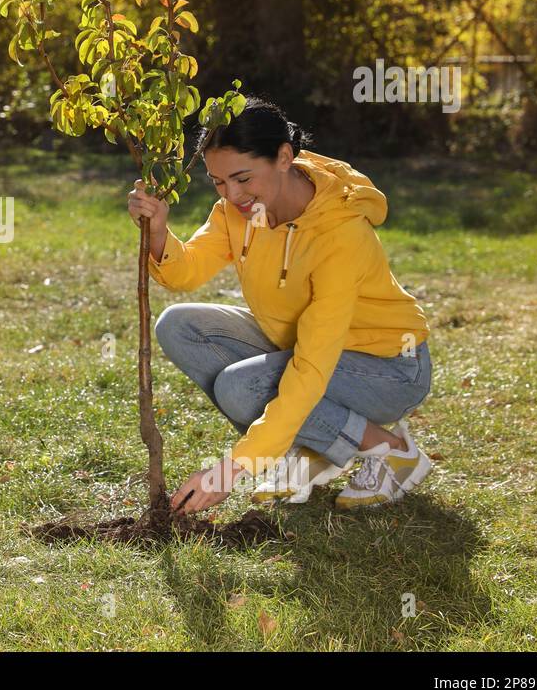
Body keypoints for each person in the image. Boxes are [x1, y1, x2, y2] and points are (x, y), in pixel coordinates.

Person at [126, 98, 434, 516]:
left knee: (242, 386)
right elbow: (186, 271)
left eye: (242, 178)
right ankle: (306, 451)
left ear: (284, 157)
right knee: (180, 326)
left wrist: (231, 471)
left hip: (388, 367)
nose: (232, 195)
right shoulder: (239, 211)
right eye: (218, 182)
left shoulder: (339, 234)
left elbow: (310, 369)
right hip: (299, 347)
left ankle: (393, 452)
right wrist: (160, 232)